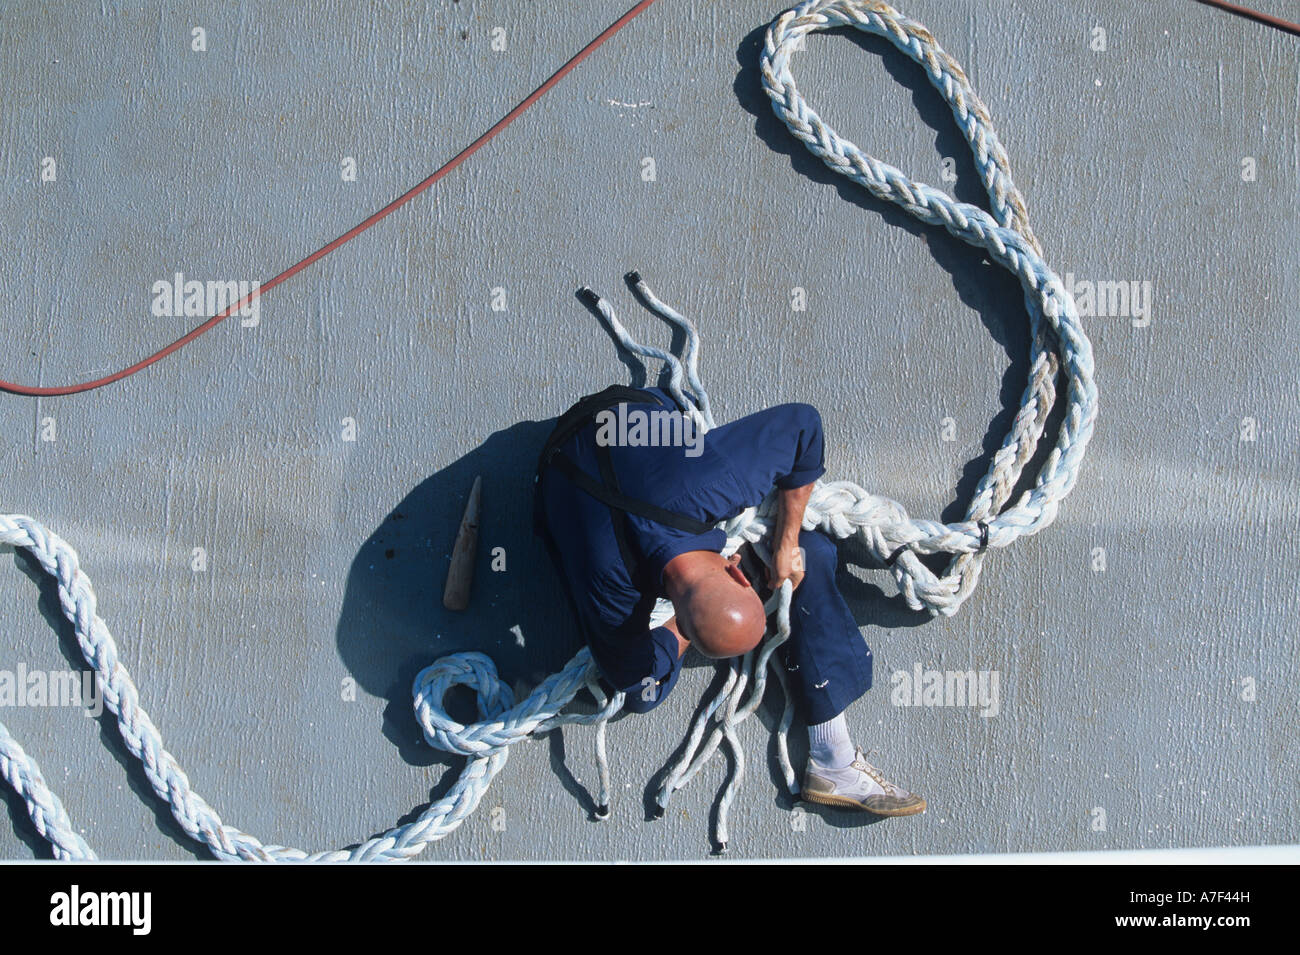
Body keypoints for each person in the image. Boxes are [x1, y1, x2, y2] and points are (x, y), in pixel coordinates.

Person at [533, 383, 925, 816]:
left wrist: (784, 542)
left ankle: (833, 753)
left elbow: (805, 425)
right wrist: (781, 553)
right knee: (813, 555)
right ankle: (833, 753)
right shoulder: (614, 595)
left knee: (807, 551)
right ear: (738, 568)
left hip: (574, 456)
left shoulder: (700, 490)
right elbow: (637, 685)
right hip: (602, 432)